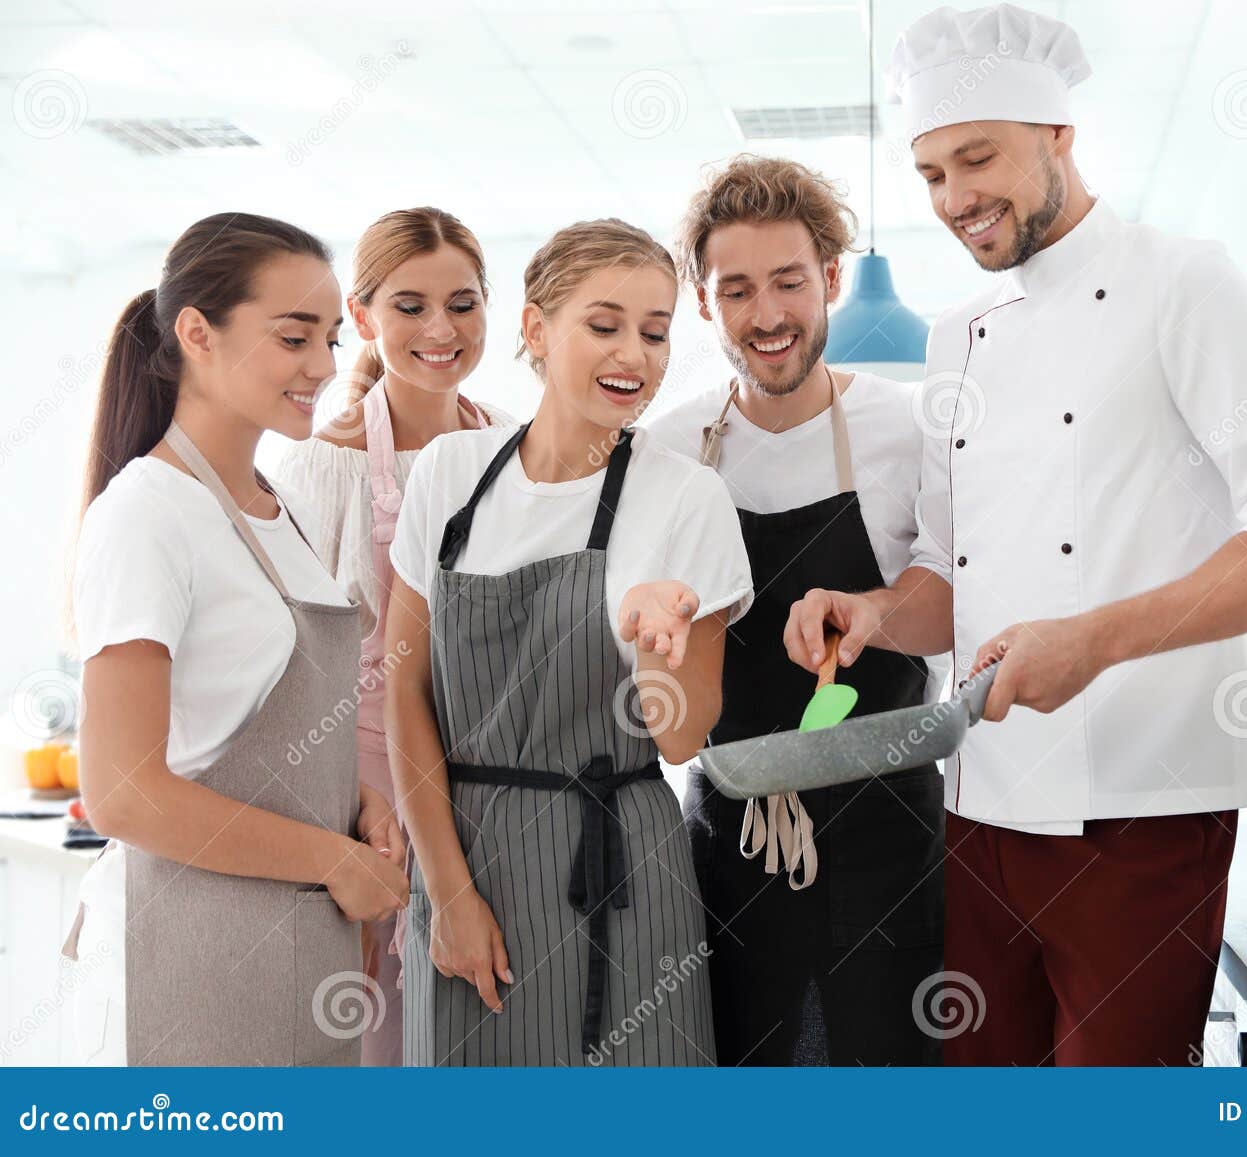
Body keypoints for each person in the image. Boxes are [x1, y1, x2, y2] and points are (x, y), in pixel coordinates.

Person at [786, 3, 1247, 1065]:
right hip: (978, 808)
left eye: (976, 157)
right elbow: (947, 578)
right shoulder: (956, 338)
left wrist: (1089, 640)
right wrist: (872, 612)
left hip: (1143, 811)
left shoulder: (1186, 283)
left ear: (1058, 137)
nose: (955, 198)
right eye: (929, 174)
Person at [386, 218, 753, 1066]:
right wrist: (447, 893)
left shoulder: (686, 498)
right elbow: (402, 692)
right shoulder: (449, 474)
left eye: (657, 332)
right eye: (606, 324)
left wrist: (658, 644)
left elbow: (683, 735)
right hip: (461, 859)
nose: (637, 354)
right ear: (535, 329)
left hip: (620, 878)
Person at [63, 212, 409, 1066]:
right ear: (196, 334)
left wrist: (353, 805)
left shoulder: (272, 506)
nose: (325, 367)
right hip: (178, 959)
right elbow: (122, 794)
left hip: (293, 949)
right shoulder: (147, 515)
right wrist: (331, 856)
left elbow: (257, 721)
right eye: (294, 337)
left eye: (330, 338)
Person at [645, 155, 942, 1065]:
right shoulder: (670, 449)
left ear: (831, 280)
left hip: (890, 833)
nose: (767, 315)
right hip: (729, 843)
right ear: (705, 302)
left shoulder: (912, 424)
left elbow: (951, 607)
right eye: (737, 289)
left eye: (788, 282)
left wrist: (873, 610)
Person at [274, 206, 515, 1065]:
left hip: (498, 784)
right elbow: (296, 667)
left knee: (492, 1034)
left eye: (464, 302)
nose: (442, 329)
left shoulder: (514, 451)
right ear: (364, 314)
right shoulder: (323, 463)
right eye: (410, 305)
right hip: (370, 797)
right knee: (378, 1040)